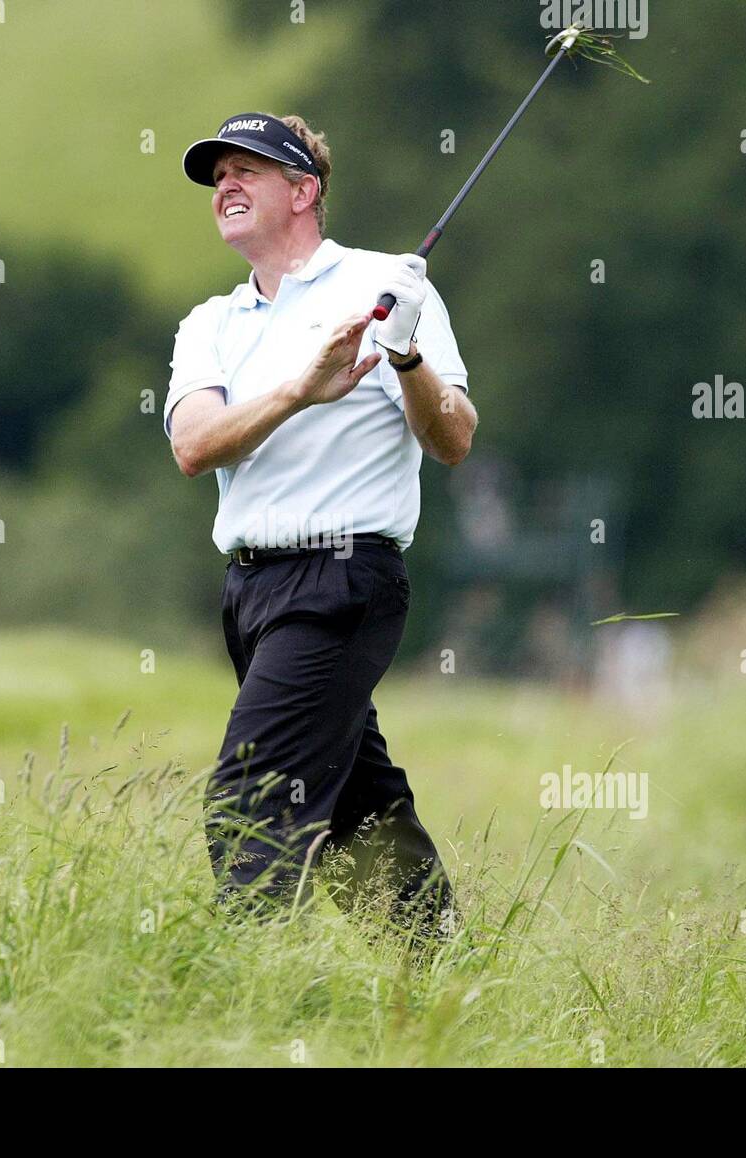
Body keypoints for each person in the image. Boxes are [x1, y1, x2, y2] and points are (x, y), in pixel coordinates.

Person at [165, 111, 477, 940]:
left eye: (248, 171)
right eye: (217, 175)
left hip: (345, 578)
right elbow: (195, 447)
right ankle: (440, 971)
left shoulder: (390, 286)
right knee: (355, 808)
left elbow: (453, 439)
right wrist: (301, 389)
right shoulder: (210, 323)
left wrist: (408, 359)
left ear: (304, 191)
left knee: (253, 793)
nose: (225, 185)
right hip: (250, 591)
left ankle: (256, 989)